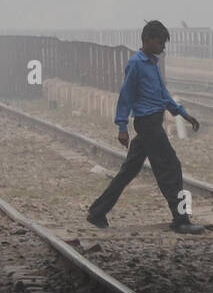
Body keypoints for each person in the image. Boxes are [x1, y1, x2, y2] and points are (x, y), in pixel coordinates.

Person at [87, 20, 206, 234]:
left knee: (128, 171)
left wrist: (183, 114)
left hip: (152, 122)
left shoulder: (153, 63)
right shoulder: (136, 64)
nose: (163, 47)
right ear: (148, 40)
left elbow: (163, 96)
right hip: (148, 124)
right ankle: (181, 219)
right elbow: (126, 96)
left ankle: (97, 212)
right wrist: (122, 126)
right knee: (171, 167)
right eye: (160, 42)